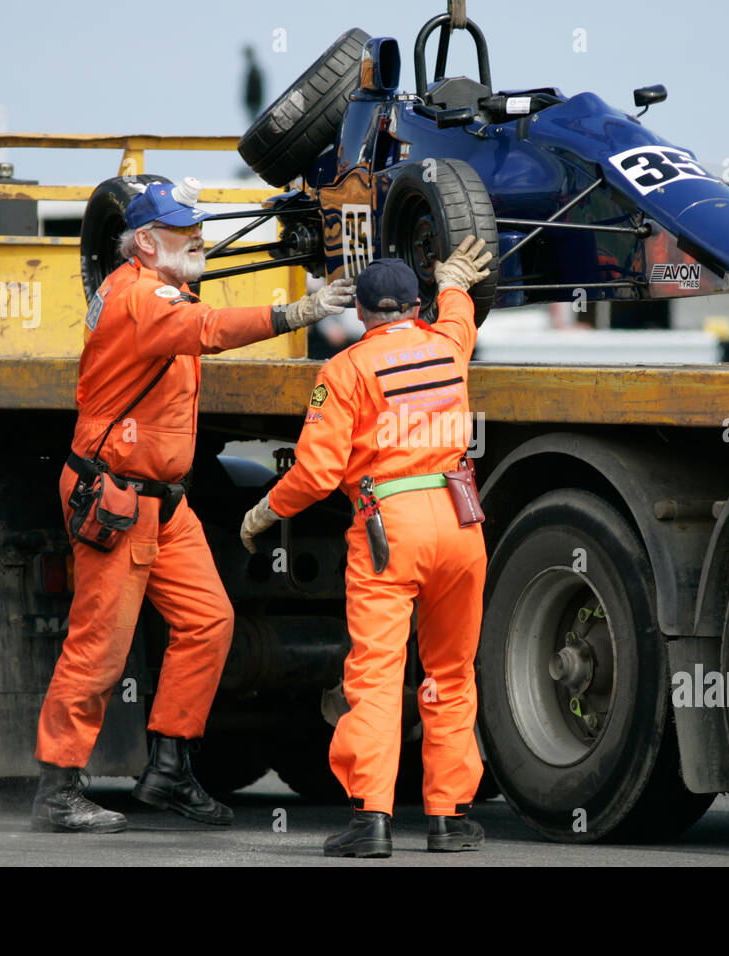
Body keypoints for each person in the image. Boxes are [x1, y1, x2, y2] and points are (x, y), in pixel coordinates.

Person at [31, 179, 355, 833]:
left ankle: (170, 770)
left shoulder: (154, 287)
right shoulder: (142, 297)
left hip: (160, 503)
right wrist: (300, 312)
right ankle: (58, 790)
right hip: (119, 500)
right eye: (183, 231)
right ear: (146, 242)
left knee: (208, 622)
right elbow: (208, 329)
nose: (198, 238)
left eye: (197, 226)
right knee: (98, 648)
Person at [240, 238, 494, 858]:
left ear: (362, 314)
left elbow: (316, 474)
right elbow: (459, 311)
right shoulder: (447, 347)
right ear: (414, 305)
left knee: (378, 678)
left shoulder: (346, 370)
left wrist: (261, 513)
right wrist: (454, 279)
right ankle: (450, 817)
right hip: (461, 523)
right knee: (451, 673)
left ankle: (371, 820)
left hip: (390, 527)